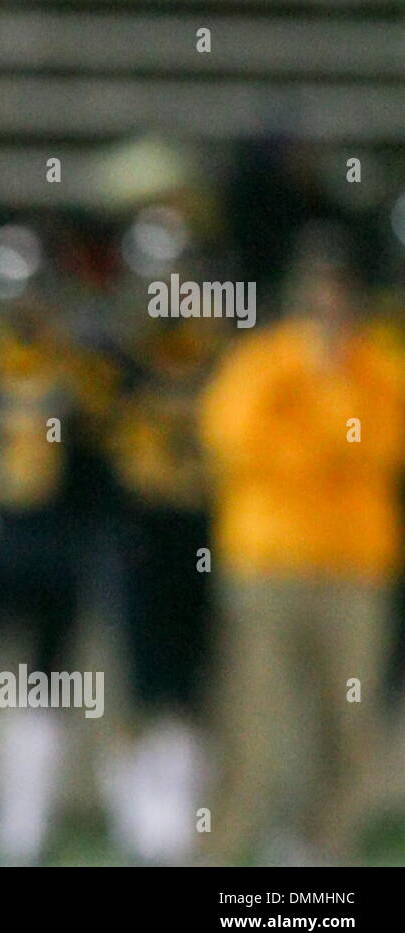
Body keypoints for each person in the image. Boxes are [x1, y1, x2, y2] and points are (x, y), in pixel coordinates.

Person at [200, 243, 405, 862]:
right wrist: (325, 435)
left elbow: (387, 443)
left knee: (348, 724)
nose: (328, 312)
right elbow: (233, 439)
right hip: (268, 569)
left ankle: (320, 851)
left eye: (339, 298)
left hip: (354, 572)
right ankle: (226, 850)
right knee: (254, 722)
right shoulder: (263, 361)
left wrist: (321, 425)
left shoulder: (379, 363)